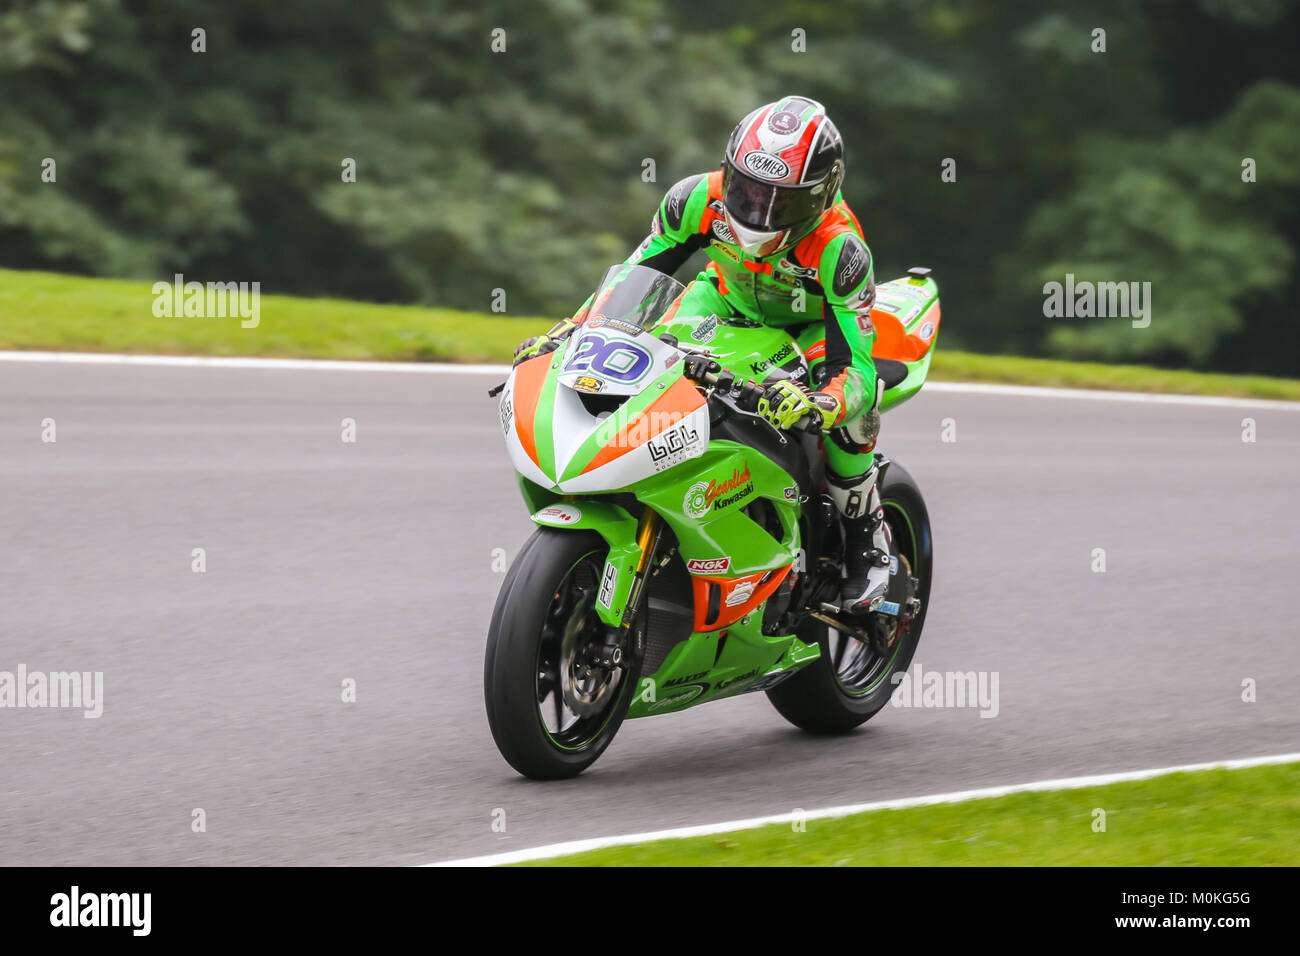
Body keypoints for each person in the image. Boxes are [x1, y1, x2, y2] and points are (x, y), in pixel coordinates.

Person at [513, 95, 891, 614]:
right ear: (727, 170)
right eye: (748, 191)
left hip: (809, 326)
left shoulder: (840, 250)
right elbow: (632, 277)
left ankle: (866, 541)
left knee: (846, 415)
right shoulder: (692, 199)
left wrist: (822, 403)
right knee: (648, 358)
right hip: (721, 299)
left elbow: (858, 371)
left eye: (781, 201)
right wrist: (573, 332)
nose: (757, 212)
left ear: (821, 195)